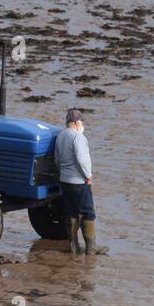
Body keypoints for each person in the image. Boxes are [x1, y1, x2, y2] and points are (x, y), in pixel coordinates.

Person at [54, 108, 108, 255]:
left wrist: (62, 174)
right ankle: (91, 248)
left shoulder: (61, 136)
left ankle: (73, 246)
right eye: (82, 122)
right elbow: (82, 160)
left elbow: (57, 160)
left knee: (71, 212)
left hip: (65, 180)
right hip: (79, 181)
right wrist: (88, 176)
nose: (83, 125)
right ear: (77, 122)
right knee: (88, 212)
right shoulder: (78, 137)